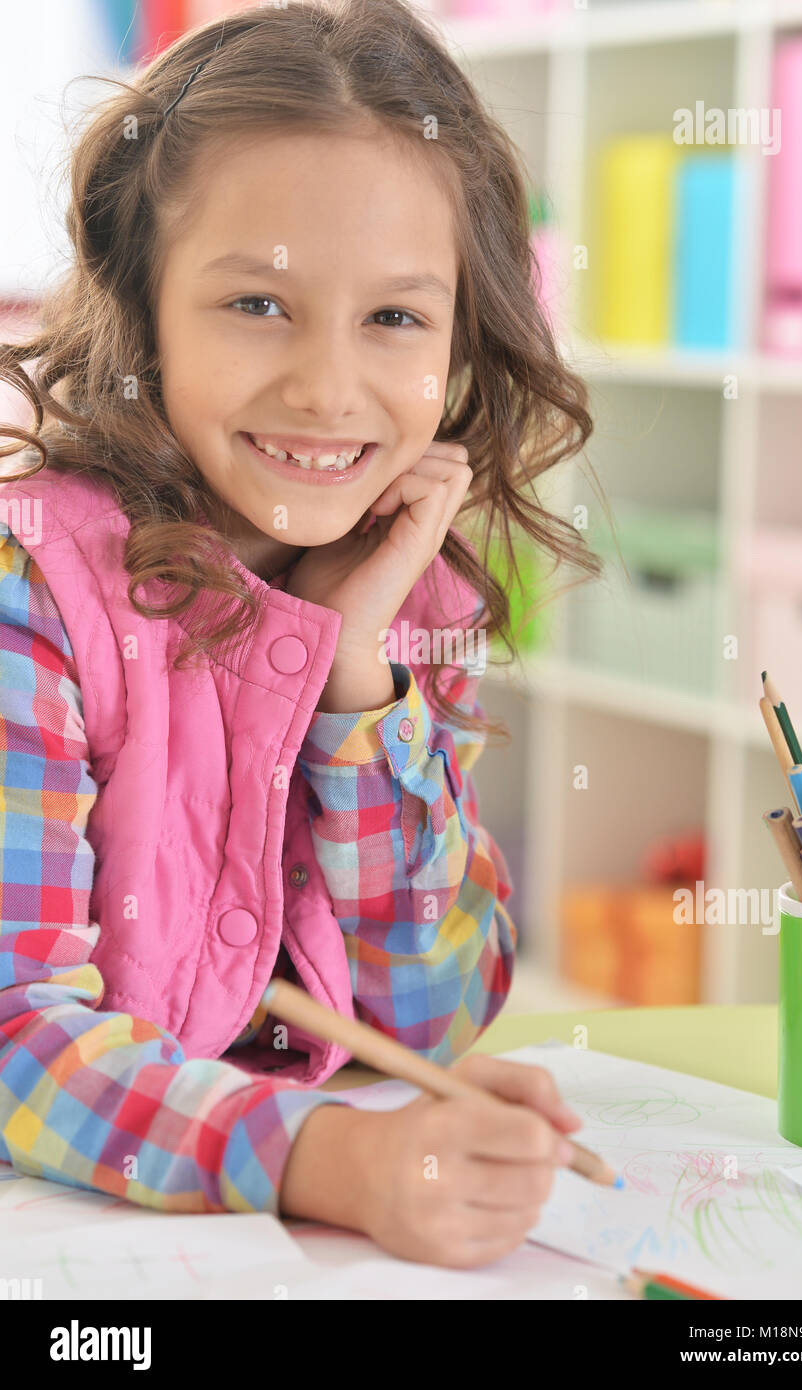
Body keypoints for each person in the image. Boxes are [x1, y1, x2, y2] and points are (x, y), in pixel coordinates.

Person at [0, 0, 602, 1270]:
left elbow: (431, 1017)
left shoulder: (410, 593)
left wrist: (352, 680)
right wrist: (326, 1160)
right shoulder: (35, 585)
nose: (329, 388)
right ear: (142, 308)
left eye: (394, 318)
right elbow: (12, 1037)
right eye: (258, 303)